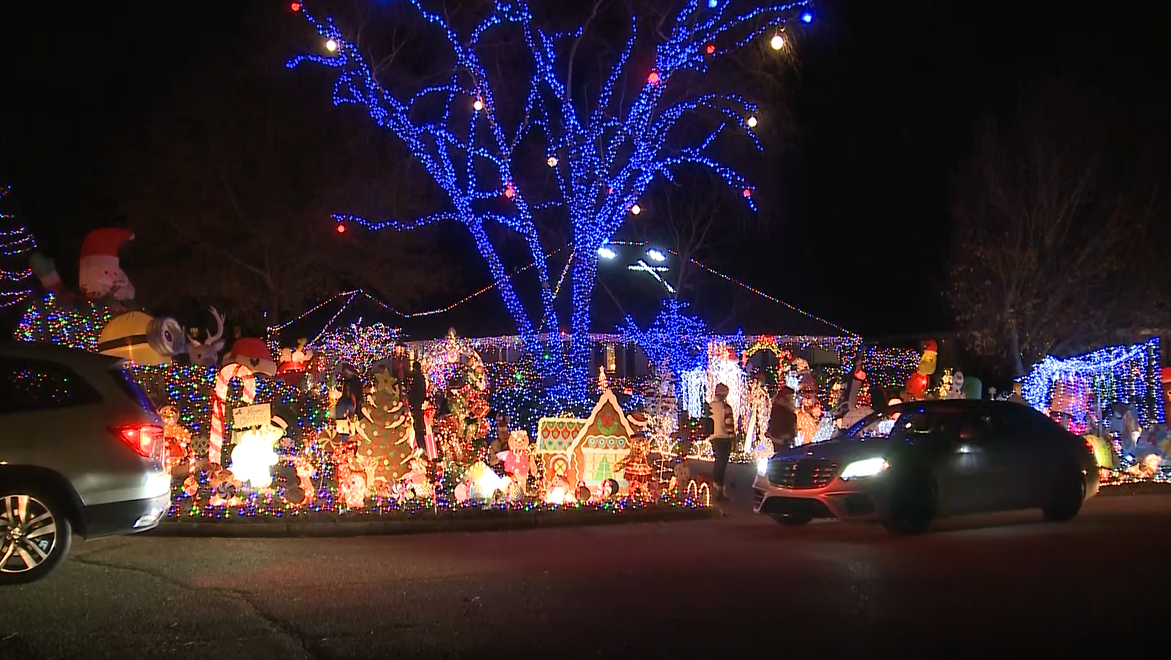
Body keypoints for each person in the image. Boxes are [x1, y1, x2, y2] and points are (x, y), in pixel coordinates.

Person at [708, 383, 736, 502]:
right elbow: (729, 425)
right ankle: (719, 490)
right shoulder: (726, 407)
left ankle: (715, 487)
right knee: (722, 464)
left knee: (717, 462)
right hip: (724, 438)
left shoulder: (710, 406)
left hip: (714, 438)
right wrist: (733, 437)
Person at [767, 386, 797, 453]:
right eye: (791, 398)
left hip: (785, 442)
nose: (793, 400)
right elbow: (777, 427)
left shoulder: (787, 409)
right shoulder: (779, 410)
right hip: (781, 442)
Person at [408, 360, 428, 450]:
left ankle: (421, 445)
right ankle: (421, 444)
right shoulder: (421, 377)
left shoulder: (417, 377)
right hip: (419, 401)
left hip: (417, 402)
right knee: (419, 422)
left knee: (418, 424)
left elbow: (415, 390)